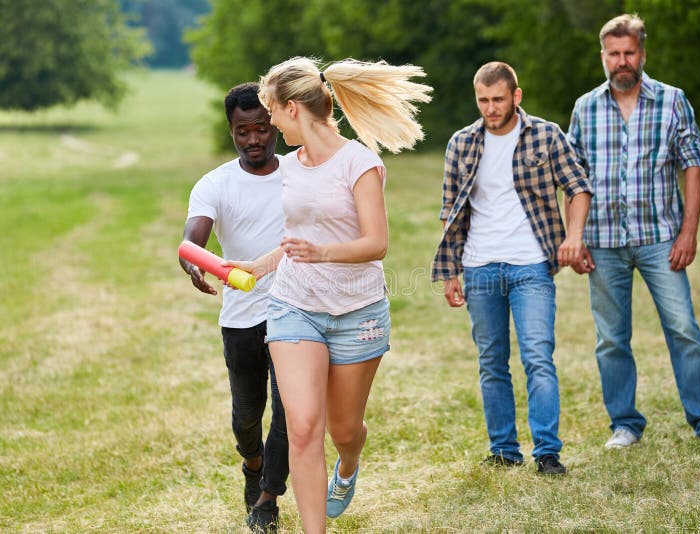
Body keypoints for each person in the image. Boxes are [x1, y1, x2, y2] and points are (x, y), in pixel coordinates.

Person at [224, 57, 431, 533]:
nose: (269, 122)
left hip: (358, 312)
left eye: (272, 111)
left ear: (293, 108)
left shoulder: (359, 162)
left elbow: (376, 242)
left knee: (343, 430)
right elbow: (296, 239)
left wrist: (323, 254)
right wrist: (257, 266)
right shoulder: (290, 167)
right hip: (295, 308)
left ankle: (349, 463)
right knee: (301, 427)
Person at [567, 14, 700, 449]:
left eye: (630, 53)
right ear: (602, 56)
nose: (622, 61)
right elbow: (574, 178)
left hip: (661, 237)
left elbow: (693, 166)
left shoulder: (673, 100)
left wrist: (688, 232)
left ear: (643, 53)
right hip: (602, 242)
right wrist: (575, 235)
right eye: (614, 54)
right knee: (610, 339)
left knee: (683, 328)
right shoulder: (585, 107)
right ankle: (624, 424)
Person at [431, 61, 593, 475]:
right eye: (483, 100)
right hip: (479, 267)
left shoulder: (545, 135)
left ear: (515, 97)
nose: (490, 108)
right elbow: (451, 211)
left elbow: (577, 187)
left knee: (539, 357)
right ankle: (503, 449)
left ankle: (547, 452)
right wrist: (451, 272)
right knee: (492, 362)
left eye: (498, 99)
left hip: (530, 265)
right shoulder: (462, 143)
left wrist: (573, 236)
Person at [179, 82, 289, 532]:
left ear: (275, 127)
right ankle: (252, 464)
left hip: (293, 312)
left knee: (289, 413)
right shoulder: (216, 183)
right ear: (232, 131)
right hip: (241, 318)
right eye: (242, 132)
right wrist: (194, 261)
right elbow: (192, 240)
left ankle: (267, 499)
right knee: (247, 418)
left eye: (261, 129)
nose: (253, 140)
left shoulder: (300, 173)